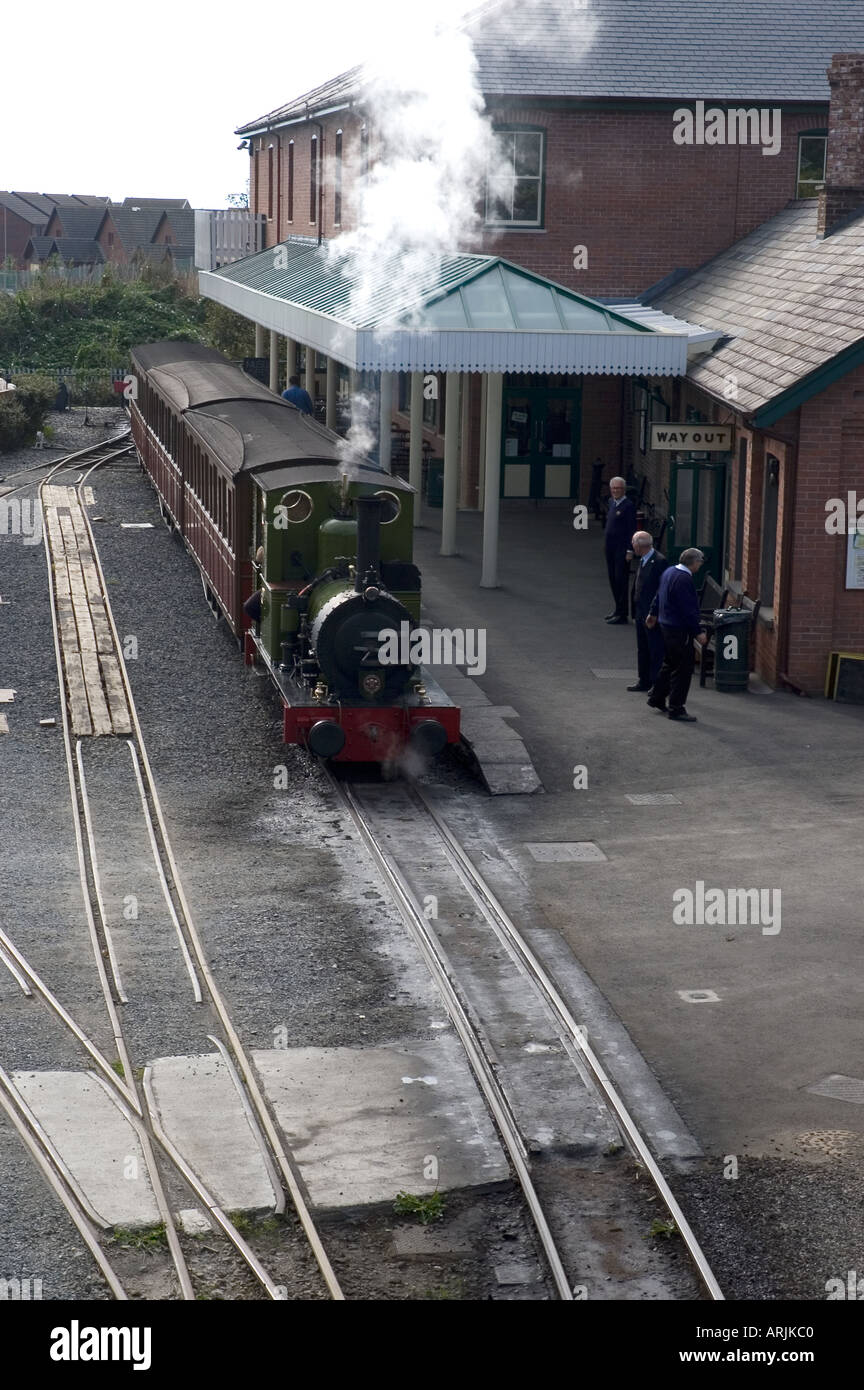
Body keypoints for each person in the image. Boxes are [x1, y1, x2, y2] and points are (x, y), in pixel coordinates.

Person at [646, 548, 708, 722]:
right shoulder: (684, 579)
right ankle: (676, 708)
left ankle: (657, 697)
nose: (700, 565)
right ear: (694, 562)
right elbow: (687, 609)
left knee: (669, 664)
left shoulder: (669, 572)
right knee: (682, 670)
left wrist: (653, 613)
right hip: (679, 630)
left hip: (666, 626)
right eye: (700, 562)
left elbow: (660, 594)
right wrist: (698, 632)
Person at [627, 531, 668, 691]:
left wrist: (655, 613)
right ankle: (643, 680)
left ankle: (655, 683)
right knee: (642, 647)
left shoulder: (659, 562)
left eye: (633, 544)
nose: (632, 546)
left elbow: (661, 590)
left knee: (655, 648)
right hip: (640, 610)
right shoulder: (644, 560)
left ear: (639, 546)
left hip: (651, 614)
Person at [604, 477, 637, 623]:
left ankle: (623, 614)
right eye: (613, 488)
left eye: (618, 488)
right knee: (612, 579)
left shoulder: (628, 506)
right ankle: (617, 609)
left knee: (621, 580)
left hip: (622, 550)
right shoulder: (611, 503)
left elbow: (632, 529)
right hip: (610, 548)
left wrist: (630, 550)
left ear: (623, 490)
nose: (615, 491)